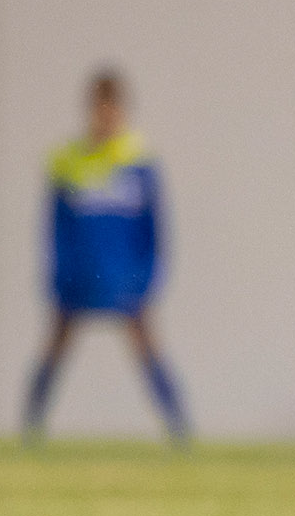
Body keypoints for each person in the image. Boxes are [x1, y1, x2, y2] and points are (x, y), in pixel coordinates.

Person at [23, 70, 188, 444]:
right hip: (79, 274)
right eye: (100, 107)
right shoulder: (68, 159)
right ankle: (31, 427)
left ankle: (179, 429)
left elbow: (154, 228)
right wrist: (58, 273)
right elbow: (55, 227)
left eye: (112, 107)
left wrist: (148, 276)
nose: (106, 115)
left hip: (124, 275)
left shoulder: (139, 160)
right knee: (55, 345)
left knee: (147, 346)